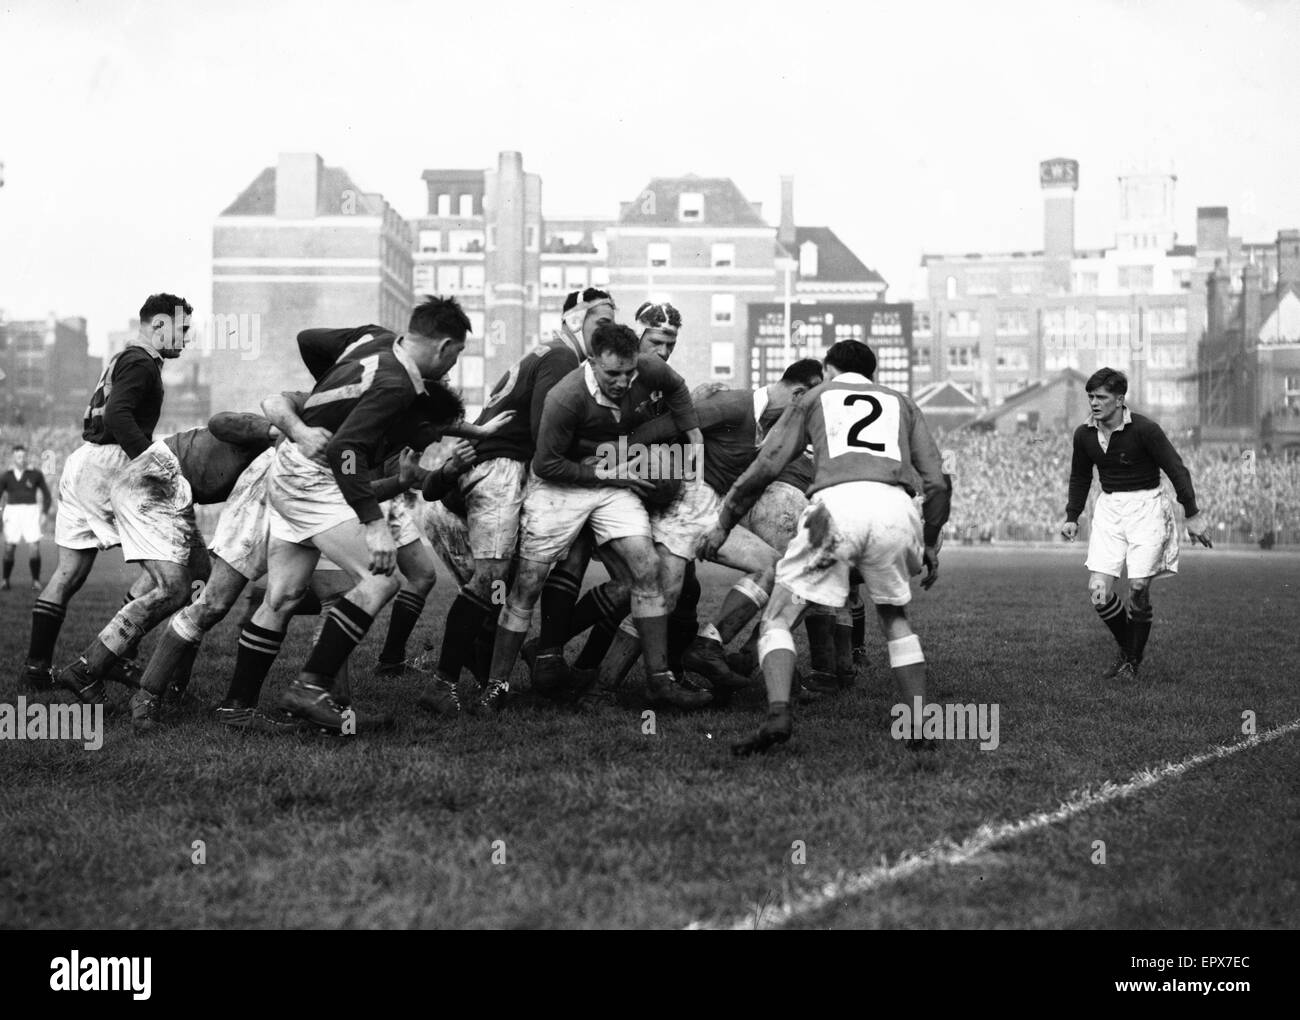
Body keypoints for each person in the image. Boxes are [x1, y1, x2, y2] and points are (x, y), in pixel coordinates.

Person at [700, 340, 950, 755]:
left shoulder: (816, 395)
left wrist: (724, 522)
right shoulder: (902, 403)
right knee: (893, 615)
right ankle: (919, 725)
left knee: (779, 616)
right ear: (872, 375)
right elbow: (938, 482)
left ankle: (778, 714)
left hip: (836, 507)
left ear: (830, 371)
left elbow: (766, 464)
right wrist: (928, 542)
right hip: (896, 508)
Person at [481, 321, 704, 712]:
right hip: (561, 484)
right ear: (593, 362)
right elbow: (547, 464)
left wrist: (694, 437)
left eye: (629, 372)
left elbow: (678, 389)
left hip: (611, 478)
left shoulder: (647, 367)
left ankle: (659, 682)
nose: (622, 381)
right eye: (612, 373)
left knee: (646, 567)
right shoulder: (565, 396)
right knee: (529, 582)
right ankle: (497, 685)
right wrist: (606, 472)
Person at [419, 288, 617, 713]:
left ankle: (484, 672)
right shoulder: (563, 357)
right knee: (490, 579)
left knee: (502, 582)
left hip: (494, 468)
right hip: (501, 469)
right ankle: (442, 683)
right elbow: (546, 430)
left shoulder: (549, 353)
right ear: (574, 321)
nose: (608, 331)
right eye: (600, 322)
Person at [26, 294, 200, 704]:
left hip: (83, 463)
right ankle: (112, 658)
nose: (187, 339)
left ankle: (36, 668)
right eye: (183, 329)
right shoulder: (141, 362)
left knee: (69, 573)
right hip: (112, 467)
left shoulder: (129, 357)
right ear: (159, 325)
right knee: (175, 574)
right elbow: (118, 416)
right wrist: (153, 462)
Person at [1061, 367, 1212, 681]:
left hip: (1148, 508)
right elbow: (1080, 476)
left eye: (1101, 397)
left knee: (1139, 589)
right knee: (1098, 592)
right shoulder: (1084, 434)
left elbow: (1176, 469)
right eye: (1090, 396)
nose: (1094, 403)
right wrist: (1072, 516)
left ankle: (1130, 661)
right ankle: (1130, 652)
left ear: (1119, 399)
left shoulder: (1145, 429)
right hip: (1109, 509)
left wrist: (1193, 514)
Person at [0, 444, 53, 591]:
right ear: (13, 457)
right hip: (12, 512)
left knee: (34, 547)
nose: (21, 459)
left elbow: (47, 496)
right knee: (9, 547)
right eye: (18, 456)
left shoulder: (35, 474)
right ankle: (5, 580)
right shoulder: (6, 476)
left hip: (31, 512)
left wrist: (44, 513)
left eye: (23, 456)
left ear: (26, 457)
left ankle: (35, 581)